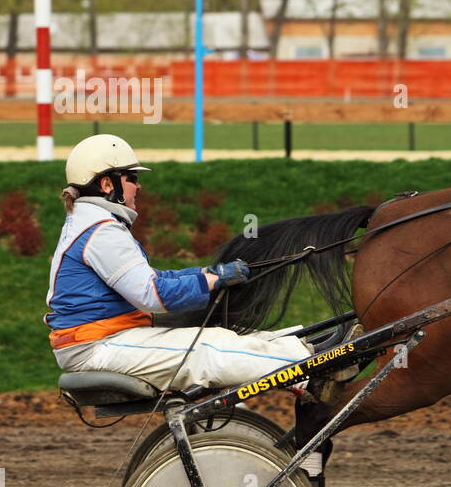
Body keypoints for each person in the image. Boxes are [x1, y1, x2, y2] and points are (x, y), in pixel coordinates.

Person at [46, 134, 315, 391]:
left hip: (101, 338)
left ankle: (305, 352)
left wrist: (203, 273)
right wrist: (213, 280)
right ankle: (309, 371)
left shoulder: (91, 222)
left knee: (227, 337)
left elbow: (152, 280)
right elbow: (151, 294)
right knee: (208, 348)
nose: (138, 185)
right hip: (94, 345)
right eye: (132, 177)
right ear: (107, 185)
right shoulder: (102, 231)